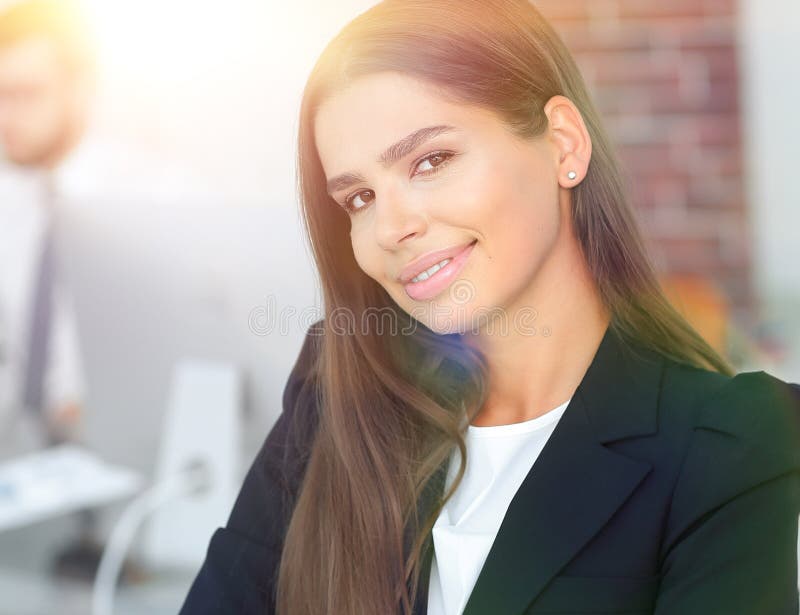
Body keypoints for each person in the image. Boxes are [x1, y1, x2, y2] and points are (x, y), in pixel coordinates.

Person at [180, 1, 800, 613]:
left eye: (431, 161)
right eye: (360, 198)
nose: (391, 228)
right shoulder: (338, 391)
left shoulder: (732, 445)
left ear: (563, 145)